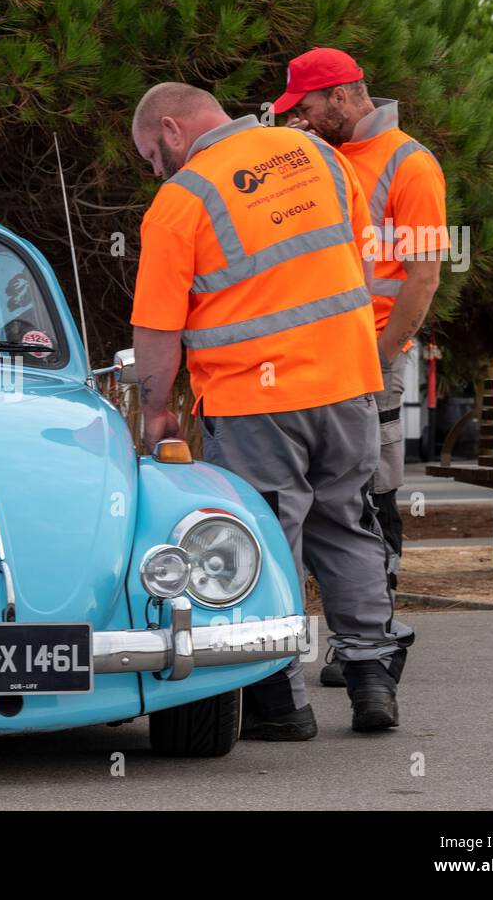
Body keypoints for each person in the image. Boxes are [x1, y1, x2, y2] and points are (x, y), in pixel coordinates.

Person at [130, 82, 414, 736]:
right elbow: (356, 256)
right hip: (347, 385)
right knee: (347, 525)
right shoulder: (317, 155)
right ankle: (373, 680)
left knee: (266, 541)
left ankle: (281, 704)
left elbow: (156, 328)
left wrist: (154, 414)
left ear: (173, 130)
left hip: (254, 401)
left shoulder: (183, 199)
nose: (154, 169)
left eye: (151, 154)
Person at [274, 48, 446, 686]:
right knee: (333, 498)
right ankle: (361, 647)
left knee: (373, 494)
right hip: (316, 359)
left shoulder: (409, 163)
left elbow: (423, 276)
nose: (305, 118)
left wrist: (381, 356)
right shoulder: (325, 157)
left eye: (309, 106)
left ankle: (373, 651)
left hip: (372, 355)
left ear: (342, 97)